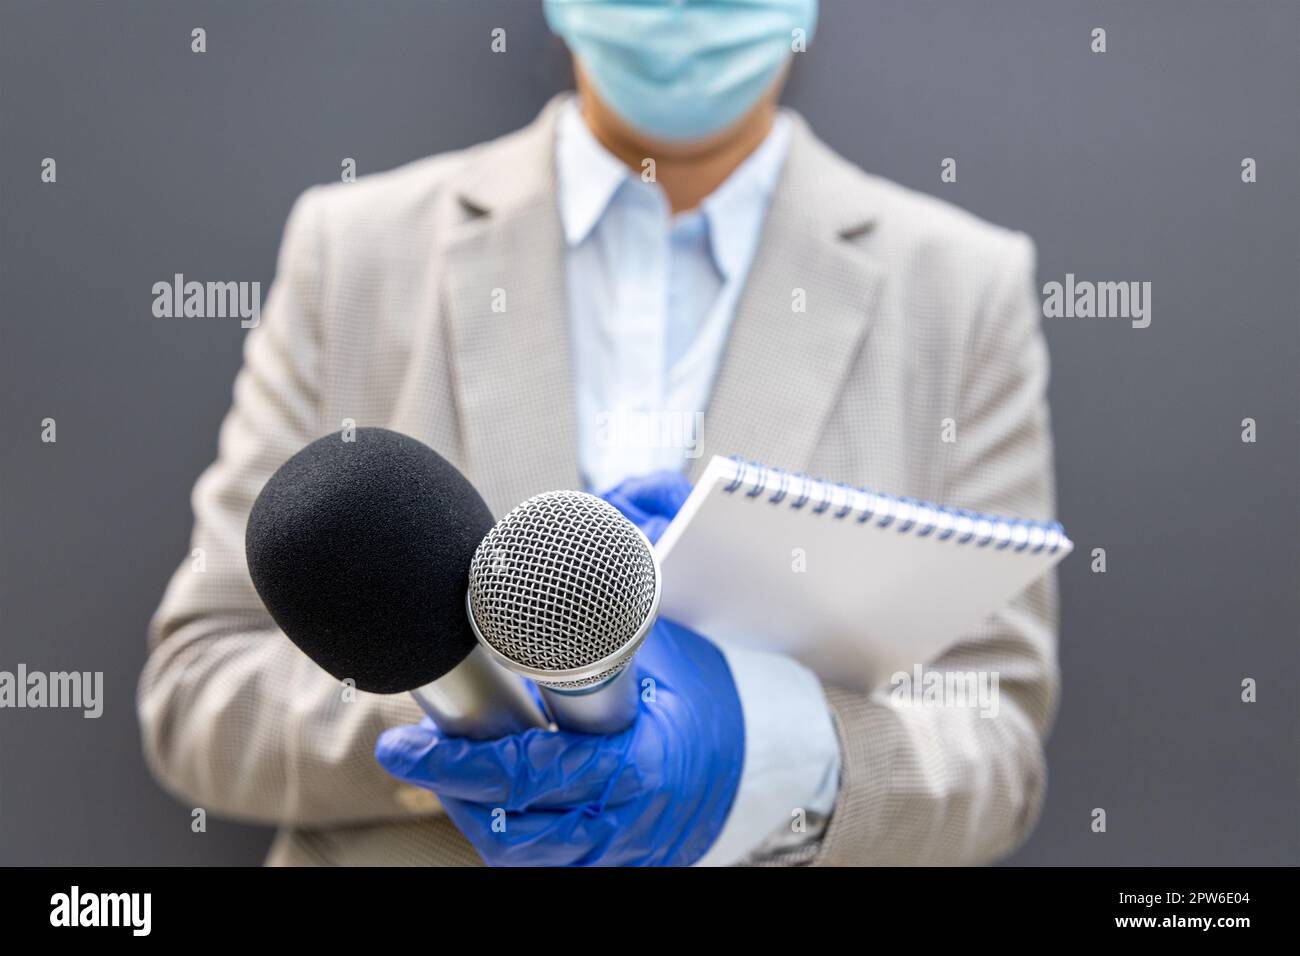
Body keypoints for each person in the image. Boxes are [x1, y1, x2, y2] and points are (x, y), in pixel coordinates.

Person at [139, 0, 1060, 866]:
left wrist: (762, 753)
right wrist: (490, 725)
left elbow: (995, 741)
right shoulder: (354, 251)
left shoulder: (962, 289)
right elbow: (200, 691)